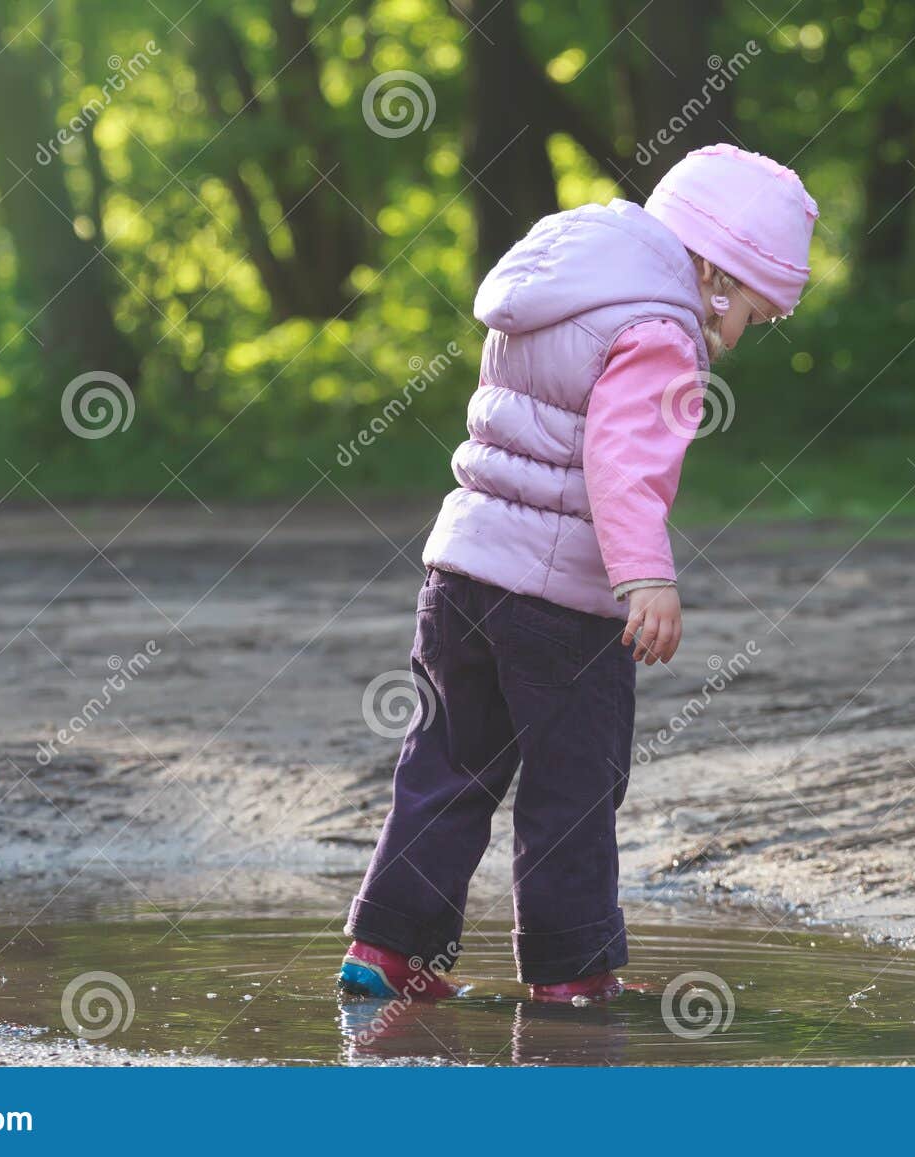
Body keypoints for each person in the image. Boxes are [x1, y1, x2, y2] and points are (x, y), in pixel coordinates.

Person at [338, 144, 818, 1003]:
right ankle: (574, 976)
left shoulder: (567, 280)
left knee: (448, 761)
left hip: (463, 572)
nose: (747, 330)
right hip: (559, 604)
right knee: (573, 786)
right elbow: (620, 463)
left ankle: (388, 950)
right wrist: (645, 577)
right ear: (717, 272)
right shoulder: (663, 333)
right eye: (755, 309)